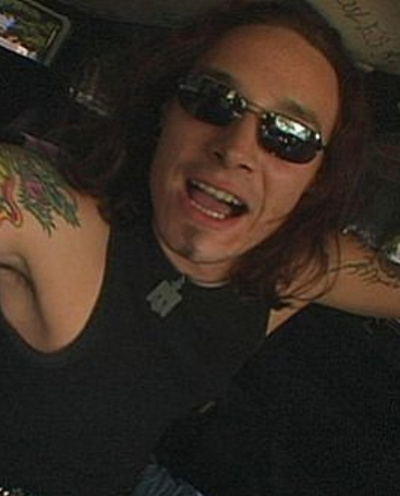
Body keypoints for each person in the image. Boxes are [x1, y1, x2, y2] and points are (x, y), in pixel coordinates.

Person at [0, 0, 399, 495]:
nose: (236, 149)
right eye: (213, 99)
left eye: (290, 135)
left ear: (317, 177)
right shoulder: (53, 219)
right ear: (166, 110)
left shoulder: (292, 267)